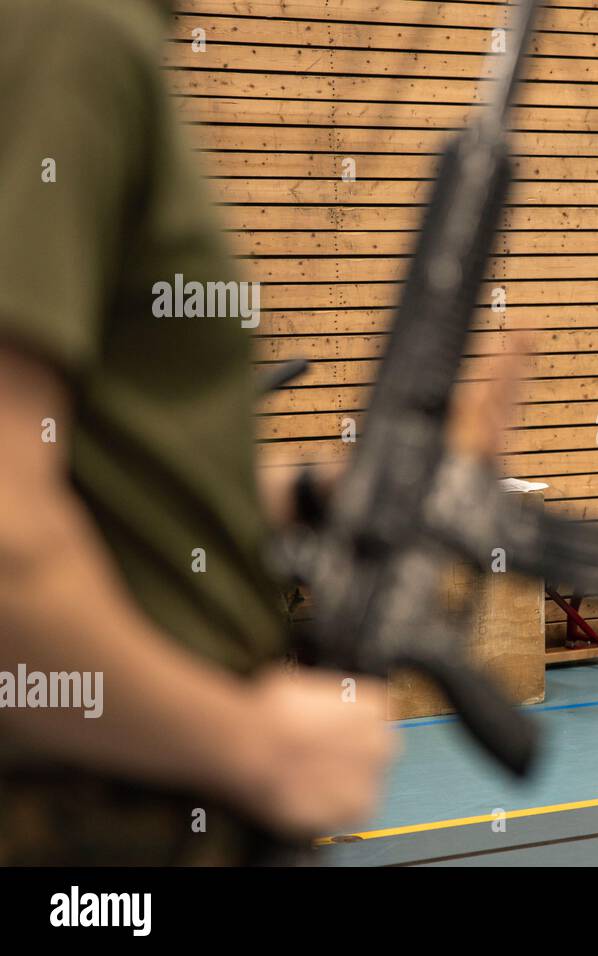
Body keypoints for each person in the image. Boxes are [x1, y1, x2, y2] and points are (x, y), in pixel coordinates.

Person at [0, 0, 411, 865]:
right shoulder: (69, 32)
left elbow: (98, 473)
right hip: (94, 826)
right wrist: (254, 744)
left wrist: (310, 492)